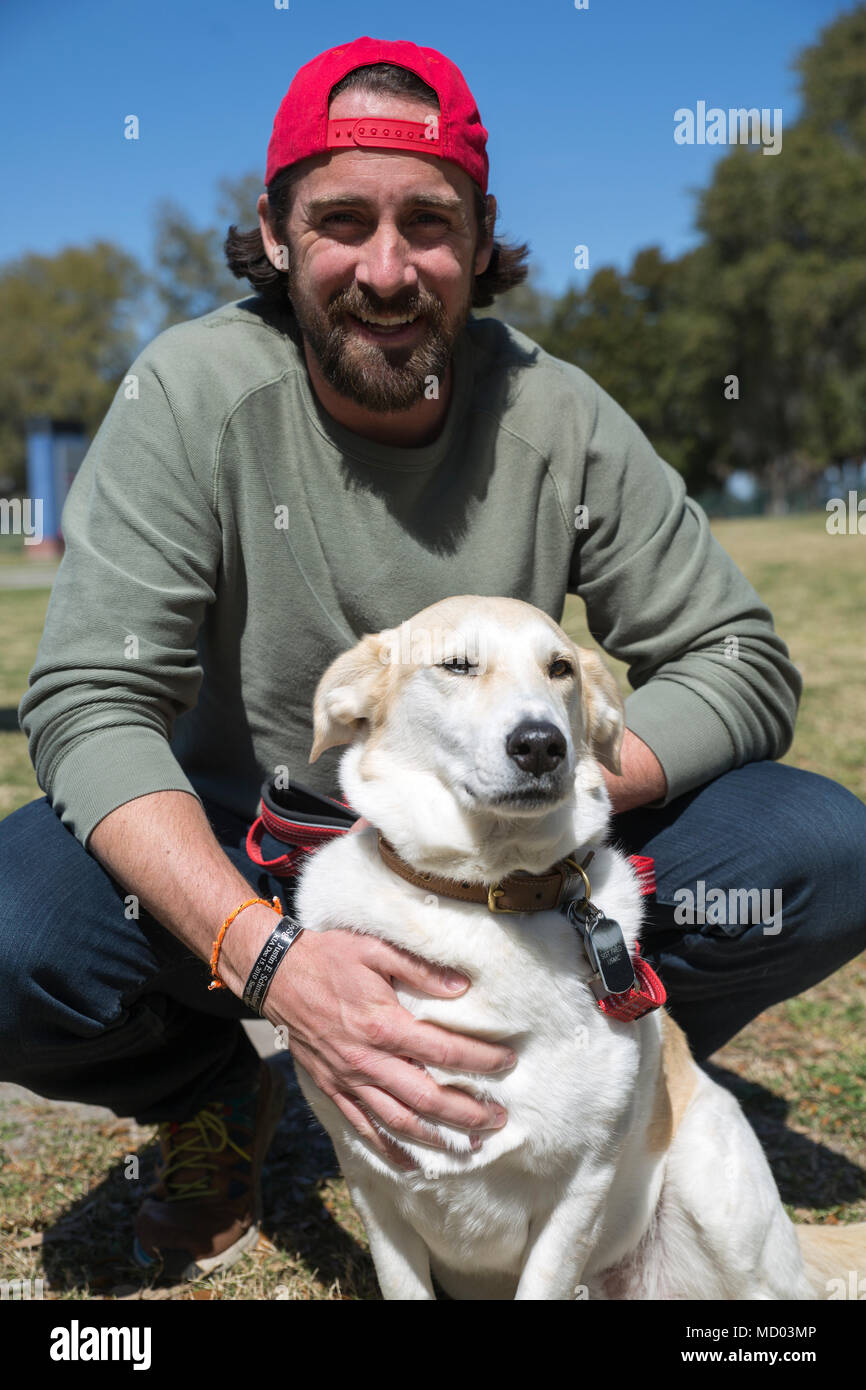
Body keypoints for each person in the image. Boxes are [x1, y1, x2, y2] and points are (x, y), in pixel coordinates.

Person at [2, 36, 864, 1284]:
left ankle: (580, 1079)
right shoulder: (189, 394)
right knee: (15, 931)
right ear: (278, 230)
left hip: (516, 873)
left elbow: (736, 657)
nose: (389, 270)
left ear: (482, 232)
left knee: (816, 850)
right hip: (252, 852)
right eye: (342, 220)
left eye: (430, 222)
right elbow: (89, 701)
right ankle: (206, 1103)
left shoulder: (555, 413)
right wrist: (270, 955)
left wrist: (564, 785)